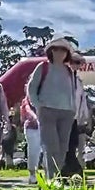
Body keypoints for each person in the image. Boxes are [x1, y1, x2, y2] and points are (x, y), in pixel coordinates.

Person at [26, 36, 76, 179]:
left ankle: (57, 176)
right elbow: (31, 88)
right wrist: (38, 106)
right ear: (51, 51)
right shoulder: (43, 67)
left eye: (63, 50)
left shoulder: (68, 70)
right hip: (47, 111)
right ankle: (51, 179)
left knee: (63, 148)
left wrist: (73, 109)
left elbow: (72, 92)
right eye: (56, 49)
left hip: (66, 113)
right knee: (51, 146)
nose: (60, 52)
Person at [20, 95, 42, 184]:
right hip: (31, 128)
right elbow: (28, 110)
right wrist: (35, 117)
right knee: (33, 151)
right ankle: (32, 174)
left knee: (42, 151)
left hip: (44, 126)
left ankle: (46, 174)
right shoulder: (27, 100)